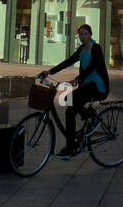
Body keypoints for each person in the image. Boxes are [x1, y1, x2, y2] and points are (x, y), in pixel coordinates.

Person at [39, 24, 109, 157]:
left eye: (85, 34)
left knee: (70, 109)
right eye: (80, 34)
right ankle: (87, 118)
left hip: (98, 86)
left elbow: (93, 67)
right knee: (67, 100)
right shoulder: (82, 49)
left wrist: (77, 79)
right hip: (86, 85)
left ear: (90, 34)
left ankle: (70, 146)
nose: (82, 37)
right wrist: (49, 72)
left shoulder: (96, 48)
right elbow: (69, 61)